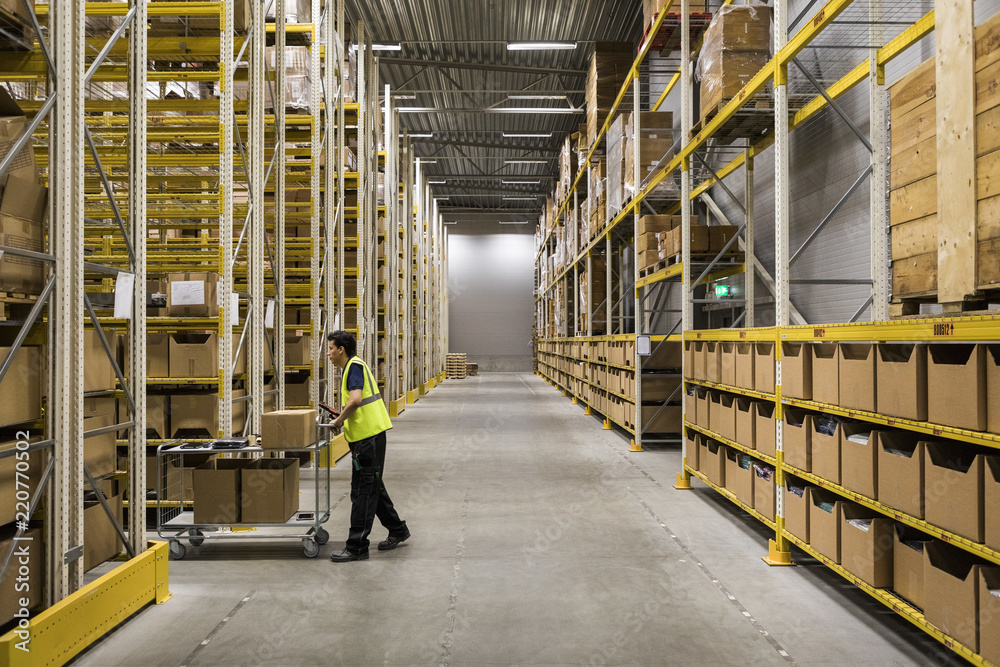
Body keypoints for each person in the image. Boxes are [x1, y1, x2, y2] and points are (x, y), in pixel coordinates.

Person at [326, 330, 410, 562]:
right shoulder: (352, 367)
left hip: (369, 438)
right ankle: (398, 529)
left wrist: (338, 420)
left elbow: (355, 400)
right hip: (367, 437)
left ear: (341, 349)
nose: (328, 353)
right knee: (372, 486)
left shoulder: (354, 367)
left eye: (331, 348)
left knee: (363, 491)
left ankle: (357, 547)